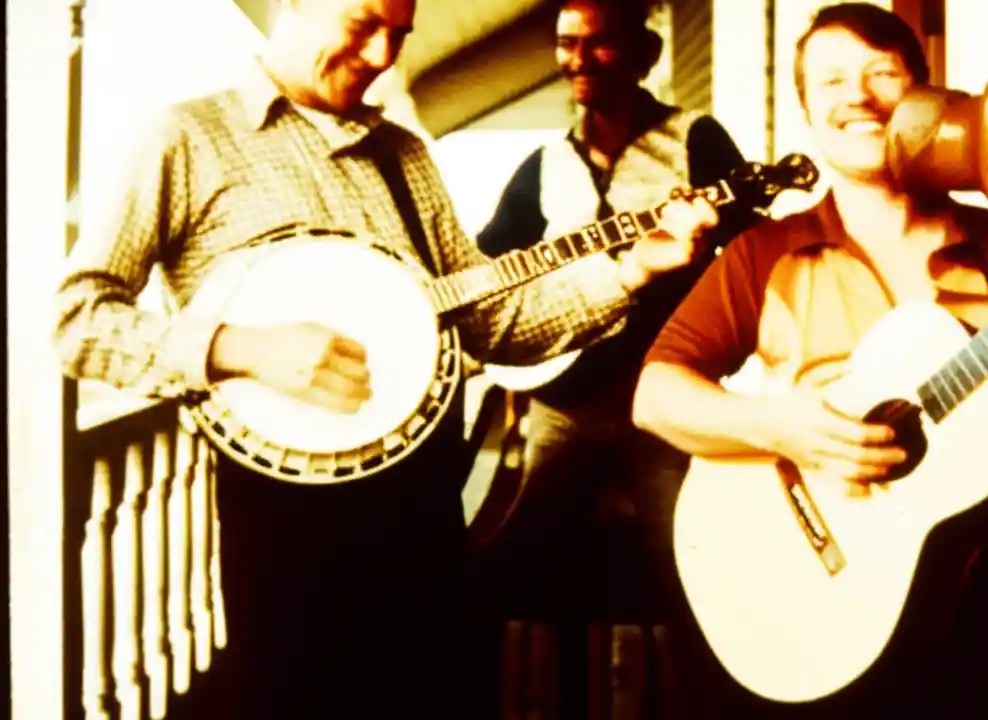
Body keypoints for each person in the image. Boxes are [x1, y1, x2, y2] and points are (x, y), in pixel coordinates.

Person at [52, 0, 717, 717]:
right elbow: (77, 319)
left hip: (421, 510)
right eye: (363, 26)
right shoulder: (187, 139)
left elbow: (494, 321)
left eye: (397, 36)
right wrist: (236, 348)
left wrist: (631, 272)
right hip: (288, 529)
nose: (380, 58)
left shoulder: (403, 154)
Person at [632, 3, 988, 719]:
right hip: (850, 616)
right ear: (807, 110)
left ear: (923, 93)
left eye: (882, 75)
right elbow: (656, 395)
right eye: (830, 82)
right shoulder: (762, 254)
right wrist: (786, 428)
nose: (857, 97)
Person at [465, 0, 753, 716]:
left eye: (599, 44)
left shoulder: (694, 139)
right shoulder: (544, 164)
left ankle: (716, 702)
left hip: (667, 396)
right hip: (566, 400)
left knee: (693, 566)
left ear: (642, 54)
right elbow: (487, 265)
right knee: (511, 558)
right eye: (567, 43)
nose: (579, 60)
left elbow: (750, 247)